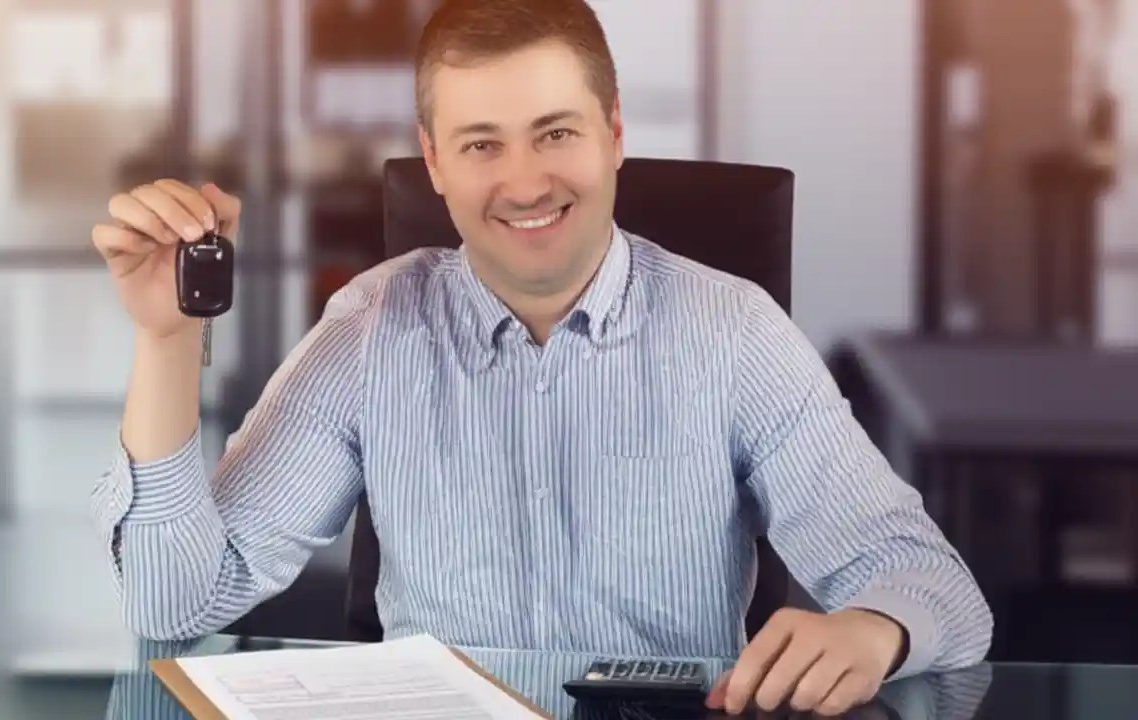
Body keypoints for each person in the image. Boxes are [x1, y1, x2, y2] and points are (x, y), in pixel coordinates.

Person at [89, 0, 993, 714]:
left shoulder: (733, 332)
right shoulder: (370, 326)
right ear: (436, 164)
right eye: (483, 145)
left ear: (613, 136)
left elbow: (934, 584)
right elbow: (175, 607)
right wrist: (167, 341)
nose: (525, 182)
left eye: (556, 132)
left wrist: (877, 627)